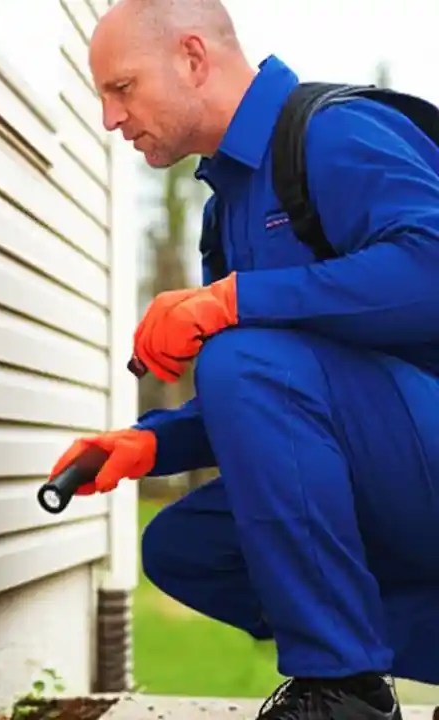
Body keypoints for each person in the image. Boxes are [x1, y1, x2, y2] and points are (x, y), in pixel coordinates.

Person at [52, 0, 439, 717]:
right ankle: (362, 663)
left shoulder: (333, 133)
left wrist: (232, 301)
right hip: (393, 468)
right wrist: (147, 444)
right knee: (186, 546)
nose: (111, 118)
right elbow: (278, 399)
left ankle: (342, 691)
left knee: (242, 355)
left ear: (193, 58)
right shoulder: (226, 208)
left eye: (122, 88)